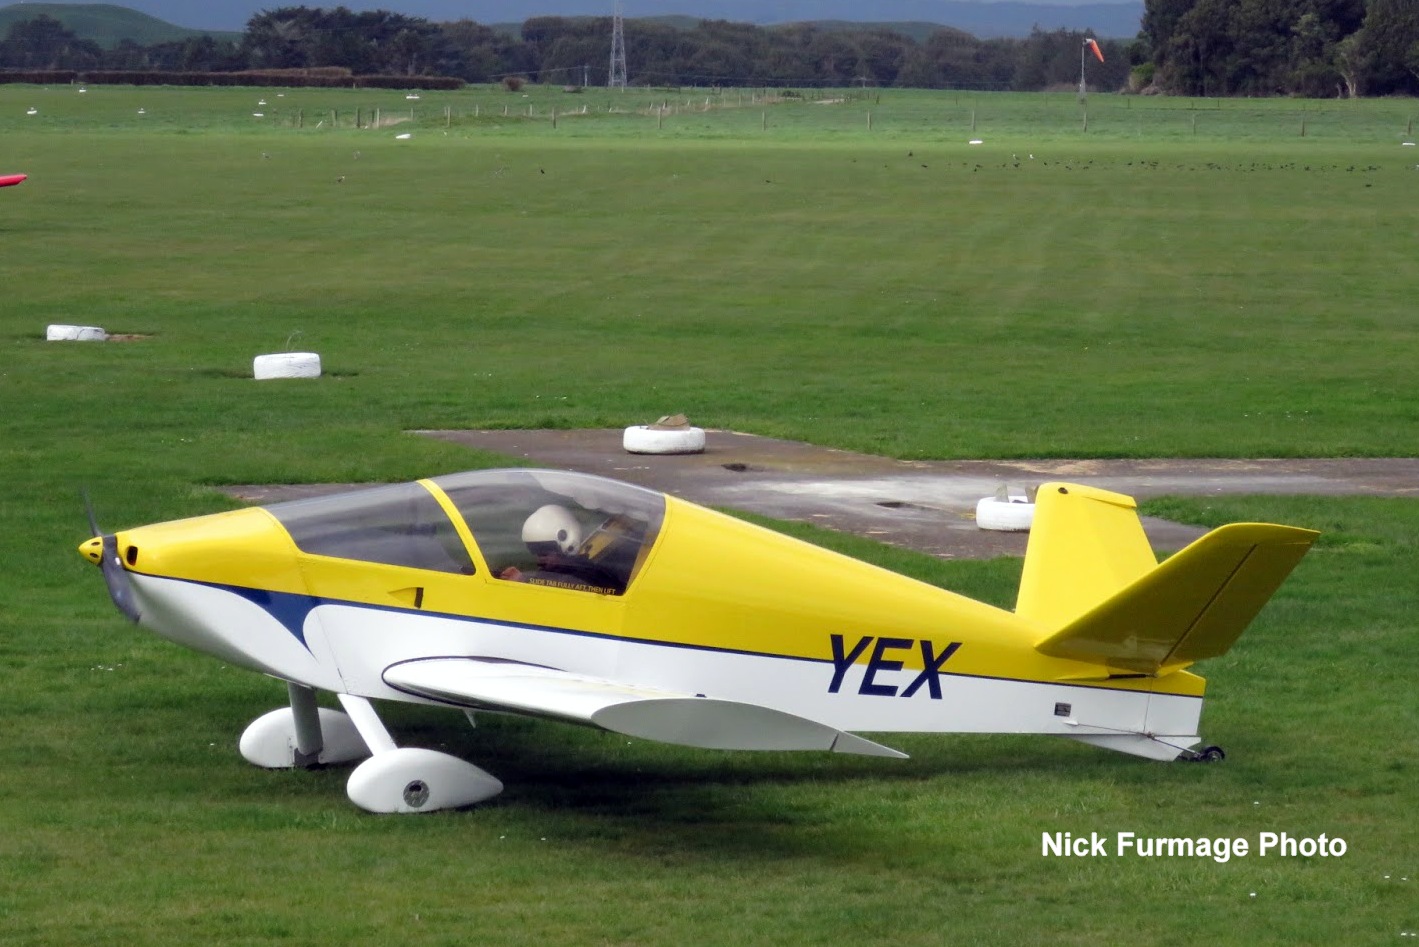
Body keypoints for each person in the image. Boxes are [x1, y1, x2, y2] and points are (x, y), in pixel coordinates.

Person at [498, 504, 622, 594]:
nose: (540, 558)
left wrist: (524, 582)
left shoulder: (586, 576)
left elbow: (558, 593)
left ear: (568, 542)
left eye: (544, 550)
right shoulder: (555, 572)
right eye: (534, 550)